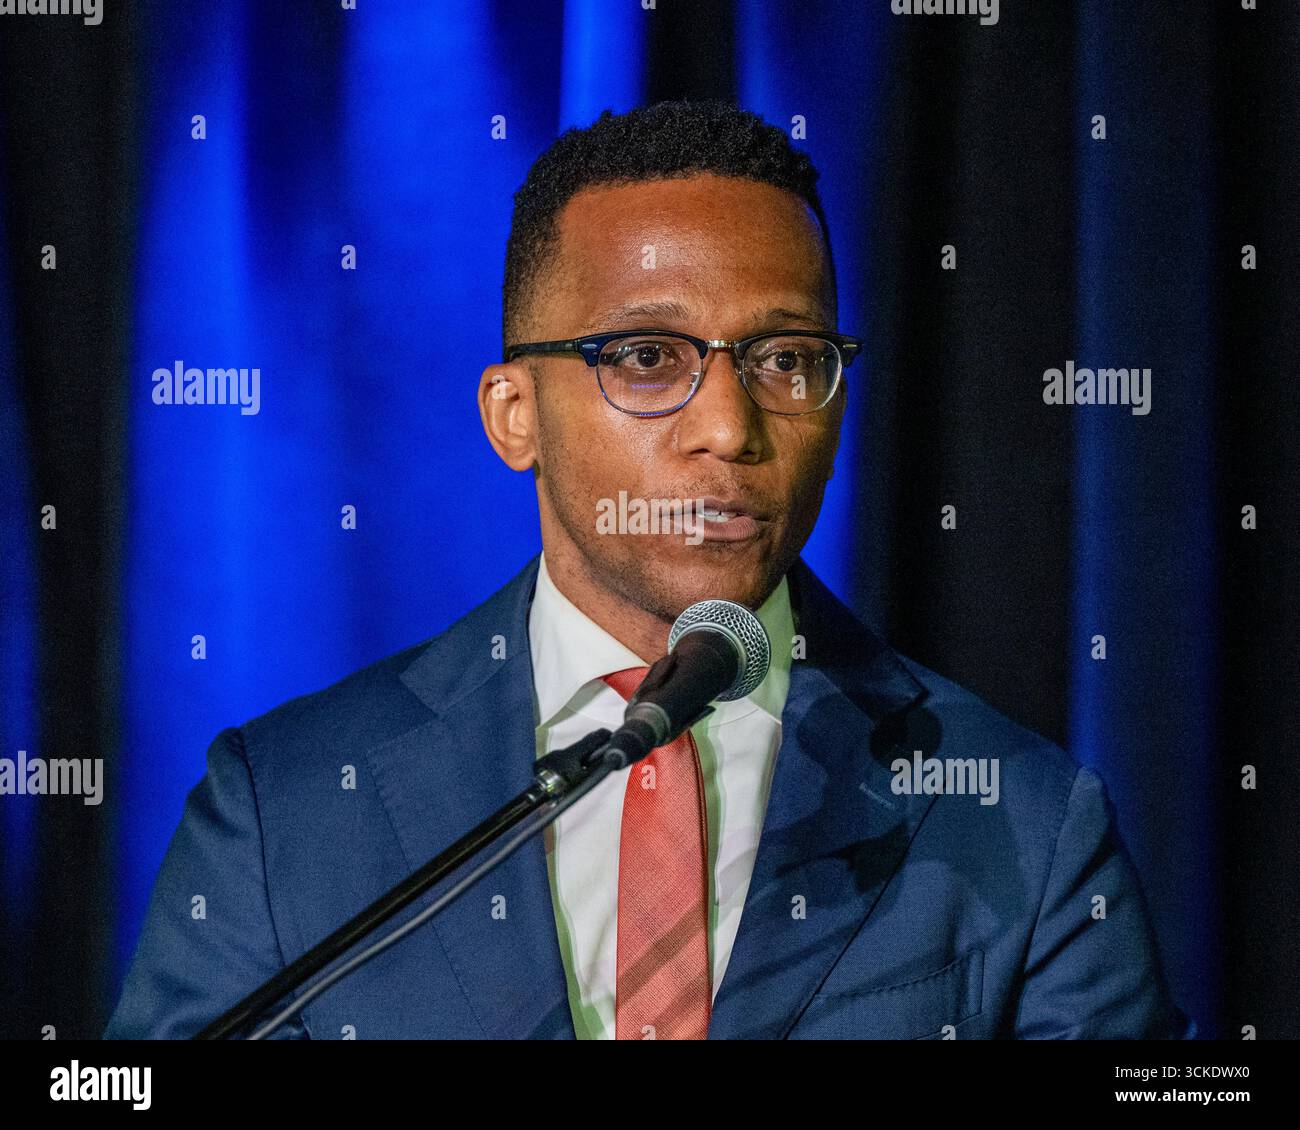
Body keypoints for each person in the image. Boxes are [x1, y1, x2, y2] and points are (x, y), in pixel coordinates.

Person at [105, 100, 1194, 1040]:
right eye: (645, 357)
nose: (728, 425)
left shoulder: (1026, 820)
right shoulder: (284, 810)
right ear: (514, 413)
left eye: (785, 359)